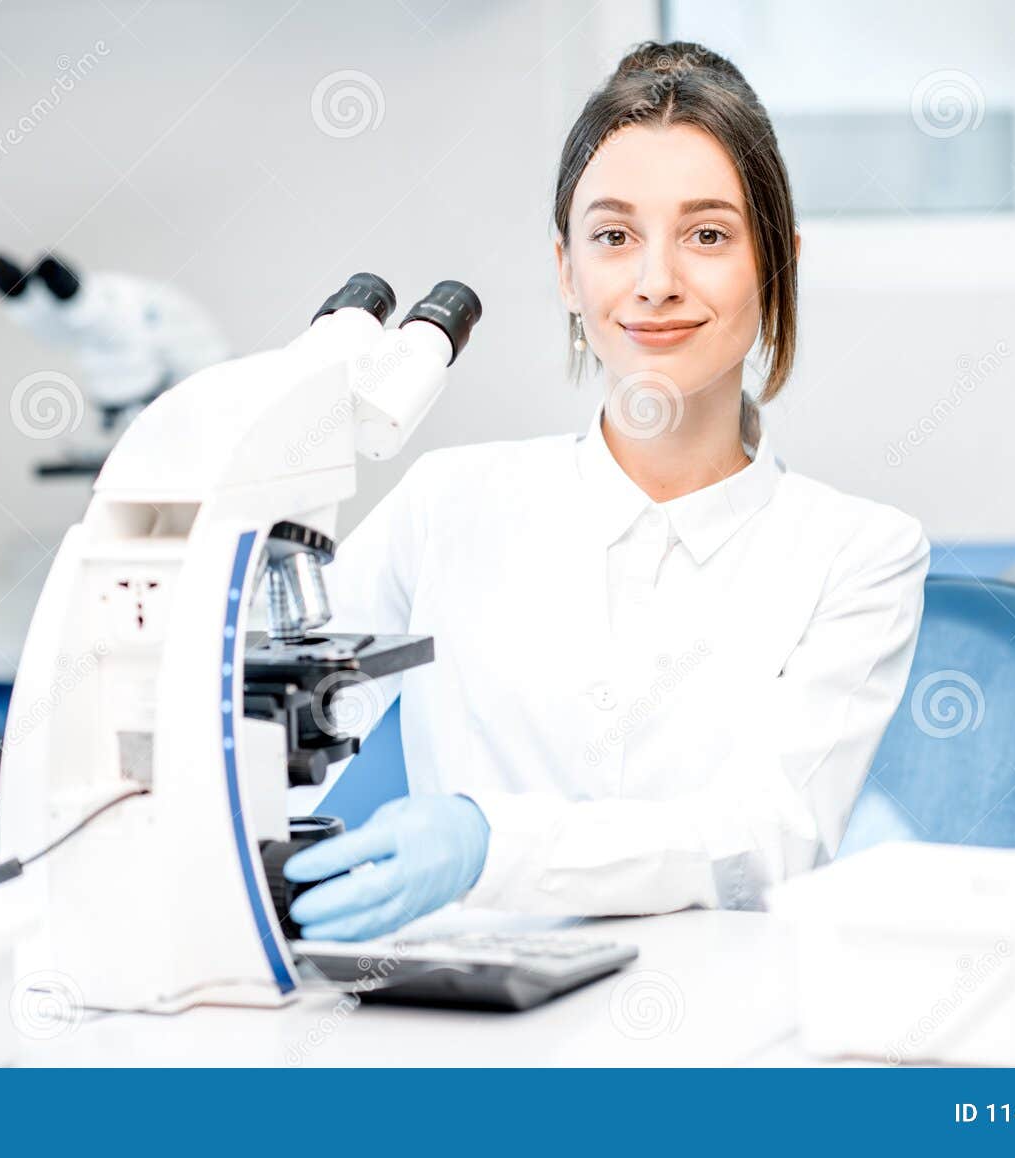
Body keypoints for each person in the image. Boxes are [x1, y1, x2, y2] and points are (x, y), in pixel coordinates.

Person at [282, 40, 929, 941]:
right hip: (455, 1006)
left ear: (777, 263)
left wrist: (491, 846)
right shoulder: (447, 504)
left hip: (722, 1016)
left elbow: (765, 840)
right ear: (566, 270)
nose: (656, 283)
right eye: (614, 237)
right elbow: (265, 732)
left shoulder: (859, 555)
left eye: (708, 235)